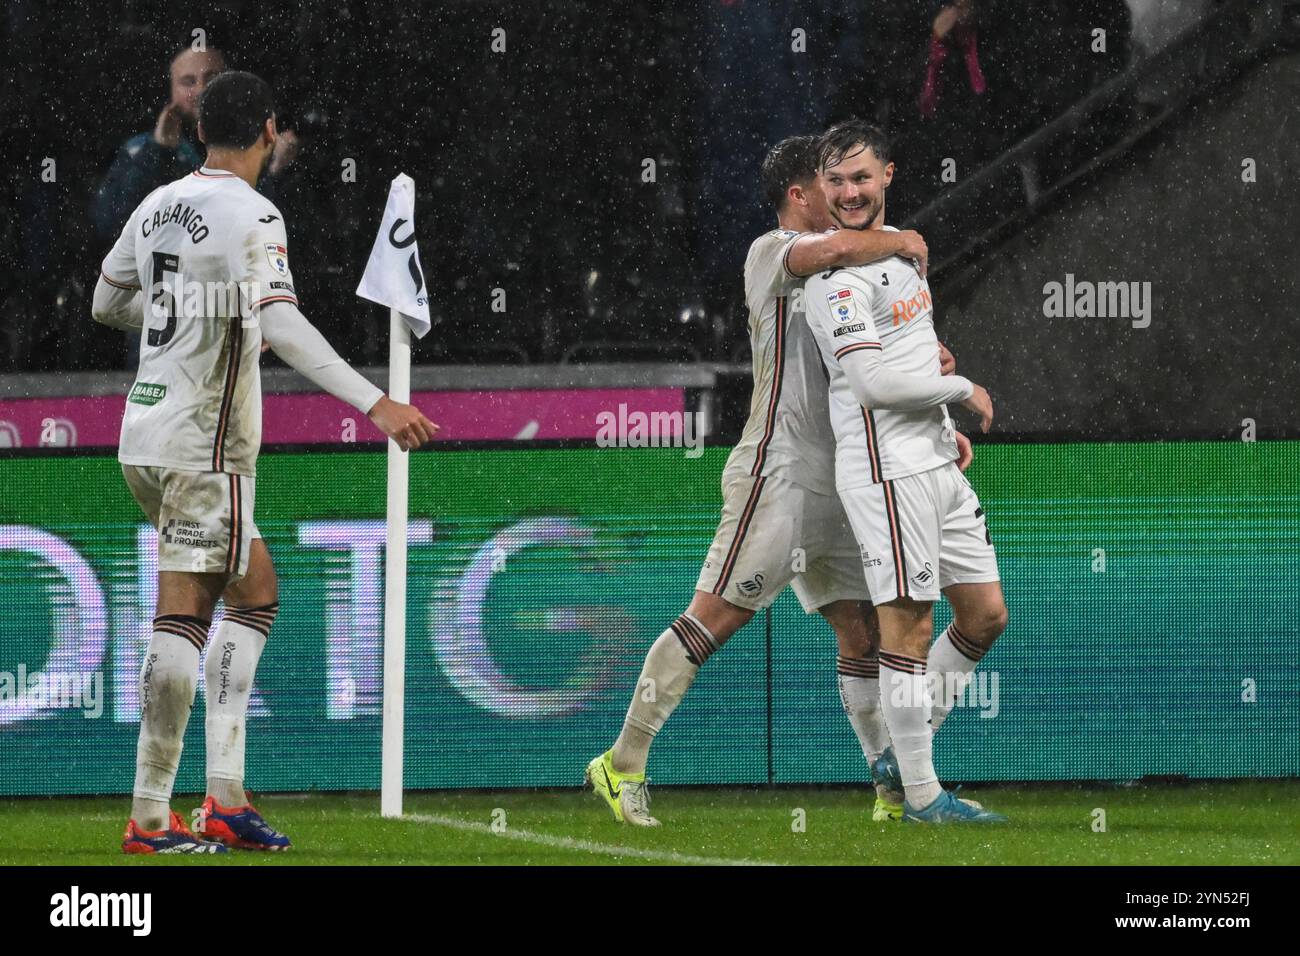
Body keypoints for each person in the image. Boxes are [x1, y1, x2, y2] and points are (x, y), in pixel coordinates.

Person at [92, 71, 436, 853]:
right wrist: (373, 402)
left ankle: (224, 799)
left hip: (142, 431)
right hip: (203, 443)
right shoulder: (254, 212)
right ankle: (150, 817)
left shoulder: (156, 205)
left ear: (204, 126)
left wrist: (178, 313)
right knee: (185, 612)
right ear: (268, 129)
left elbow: (105, 305)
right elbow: (279, 323)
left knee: (254, 590)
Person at [585, 134, 970, 826]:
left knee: (864, 630)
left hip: (852, 474)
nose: (845, 195)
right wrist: (900, 237)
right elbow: (834, 249)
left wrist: (937, 415)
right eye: (830, 184)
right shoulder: (775, 253)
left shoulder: (852, 275)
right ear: (800, 194)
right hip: (780, 471)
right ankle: (622, 763)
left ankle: (893, 793)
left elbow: (880, 360)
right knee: (715, 618)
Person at [804, 120, 1008, 823]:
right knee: (908, 629)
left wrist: (945, 428)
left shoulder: (903, 258)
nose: (849, 192)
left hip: (935, 459)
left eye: (861, 177)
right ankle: (920, 795)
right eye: (835, 181)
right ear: (820, 188)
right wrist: (963, 393)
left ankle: (901, 753)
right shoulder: (829, 281)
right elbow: (873, 386)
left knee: (985, 615)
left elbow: (914, 356)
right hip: (887, 470)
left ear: (887, 174)